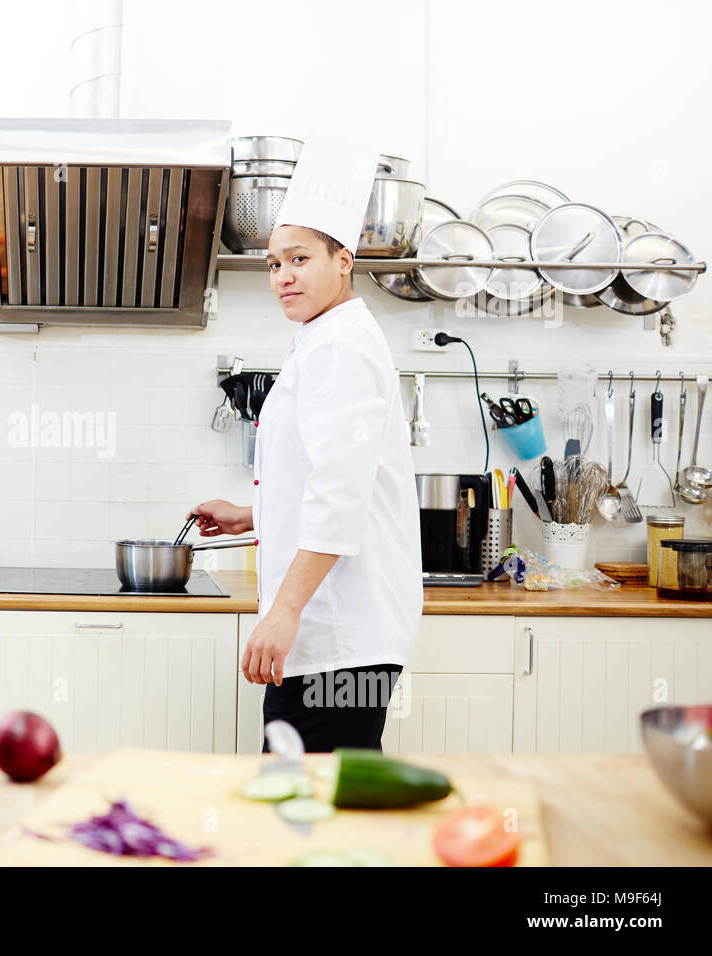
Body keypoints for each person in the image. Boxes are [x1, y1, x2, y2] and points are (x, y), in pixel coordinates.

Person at [193, 138, 422, 753]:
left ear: (342, 259)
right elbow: (325, 473)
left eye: (298, 259)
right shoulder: (326, 338)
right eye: (273, 264)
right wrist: (250, 514)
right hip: (329, 638)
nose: (283, 277)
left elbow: (341, 495)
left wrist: (284, 611)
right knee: (303, 814)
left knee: (308, 821)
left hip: (336, 639)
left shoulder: (340, 346)